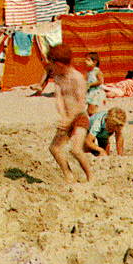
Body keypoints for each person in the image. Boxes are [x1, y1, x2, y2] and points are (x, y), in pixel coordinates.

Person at [46, 44, 92, 183]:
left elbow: (80, 103)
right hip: (67, 118)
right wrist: (63, 116)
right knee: (54, 148)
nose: (51, 67)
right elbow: (59, 98)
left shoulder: (77, 78)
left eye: (52, 64)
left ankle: (90, 176)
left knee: (76, 149)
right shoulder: (59, 78)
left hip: (79, 117)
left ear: (58, 64)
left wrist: (70, 119)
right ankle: (68, 174)